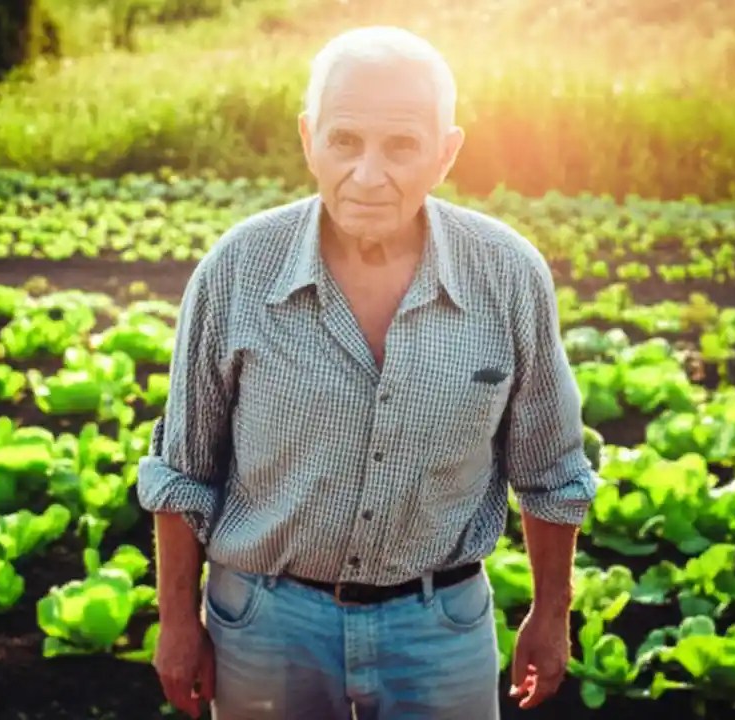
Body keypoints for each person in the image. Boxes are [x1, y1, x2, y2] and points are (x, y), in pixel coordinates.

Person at [136, 25, 598, 720]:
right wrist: (177, 623)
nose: (368, 173)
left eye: (402, 146)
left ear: (445, 154)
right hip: (265, 622)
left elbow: (551, 471)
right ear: (308, 139)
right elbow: (184, 469)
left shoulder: (508, 276)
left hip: (439, 625)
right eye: (344, 140)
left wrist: (552, 614)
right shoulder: (236, 270)